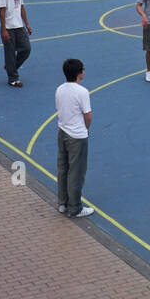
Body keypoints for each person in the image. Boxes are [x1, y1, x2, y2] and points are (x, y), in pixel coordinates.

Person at [55, 58, 94, 218]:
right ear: (79, 73)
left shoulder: (60, 89)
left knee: (63, 168)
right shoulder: (82, 92)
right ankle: (75, 207)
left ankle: (63, 203)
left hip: (62, 131)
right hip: (77, 135)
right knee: (76, 172)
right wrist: (86, 128)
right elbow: (88, 115)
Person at [0, 0, 33, 87]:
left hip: (19, 26)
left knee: (26, 48)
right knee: (10, 53)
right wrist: (4, 30)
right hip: (8, 28)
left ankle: (10, 67)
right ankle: (13, 79)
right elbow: (2, 12)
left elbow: (21, 7)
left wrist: (27, 24)